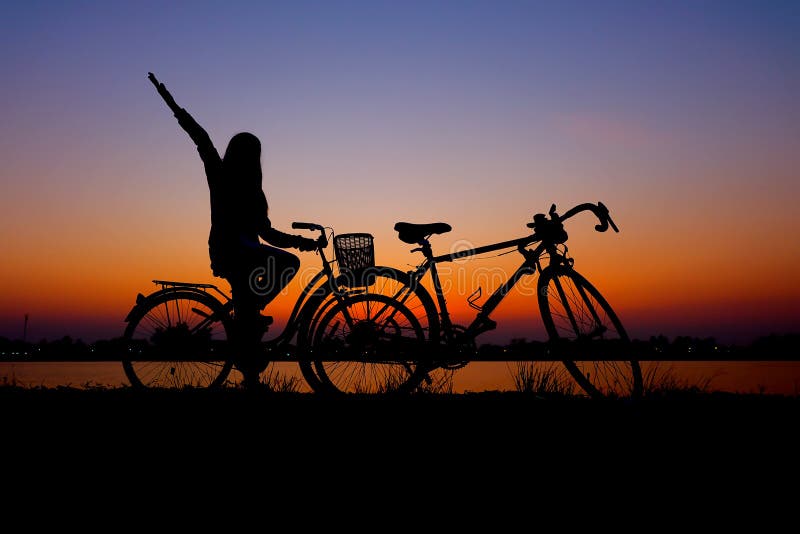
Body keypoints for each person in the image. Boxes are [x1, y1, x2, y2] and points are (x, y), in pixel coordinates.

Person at [147, 72, 317, 388]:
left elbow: (269, 235)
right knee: (283, 269)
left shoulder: (250, 189)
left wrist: (302, 243)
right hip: (233, 252)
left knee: (270, 287)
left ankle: (251, 346)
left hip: (242, 253)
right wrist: (168, 99)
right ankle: (252, 325)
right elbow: (200, 137)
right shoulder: (223, 175)